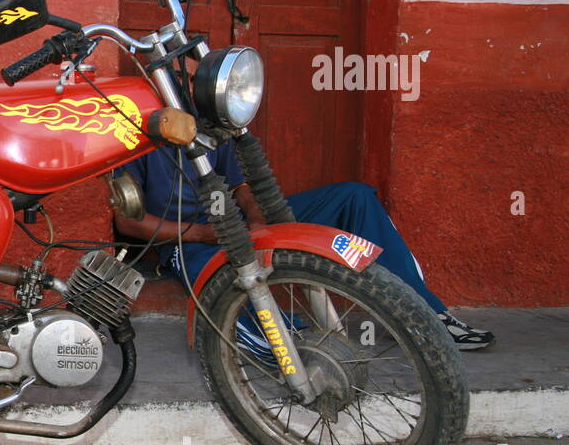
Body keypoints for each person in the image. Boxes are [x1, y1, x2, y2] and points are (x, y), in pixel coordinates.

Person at [114, 140, 495, 350]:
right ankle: (286, 342)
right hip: (186, 239)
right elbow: (127, 221)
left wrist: (257, 217)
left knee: (354, 196)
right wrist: (201, 233)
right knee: (211, 278)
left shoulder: (211, 125)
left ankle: (424, 316)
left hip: (238, 224)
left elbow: (243, 186)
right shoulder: (136, 139)